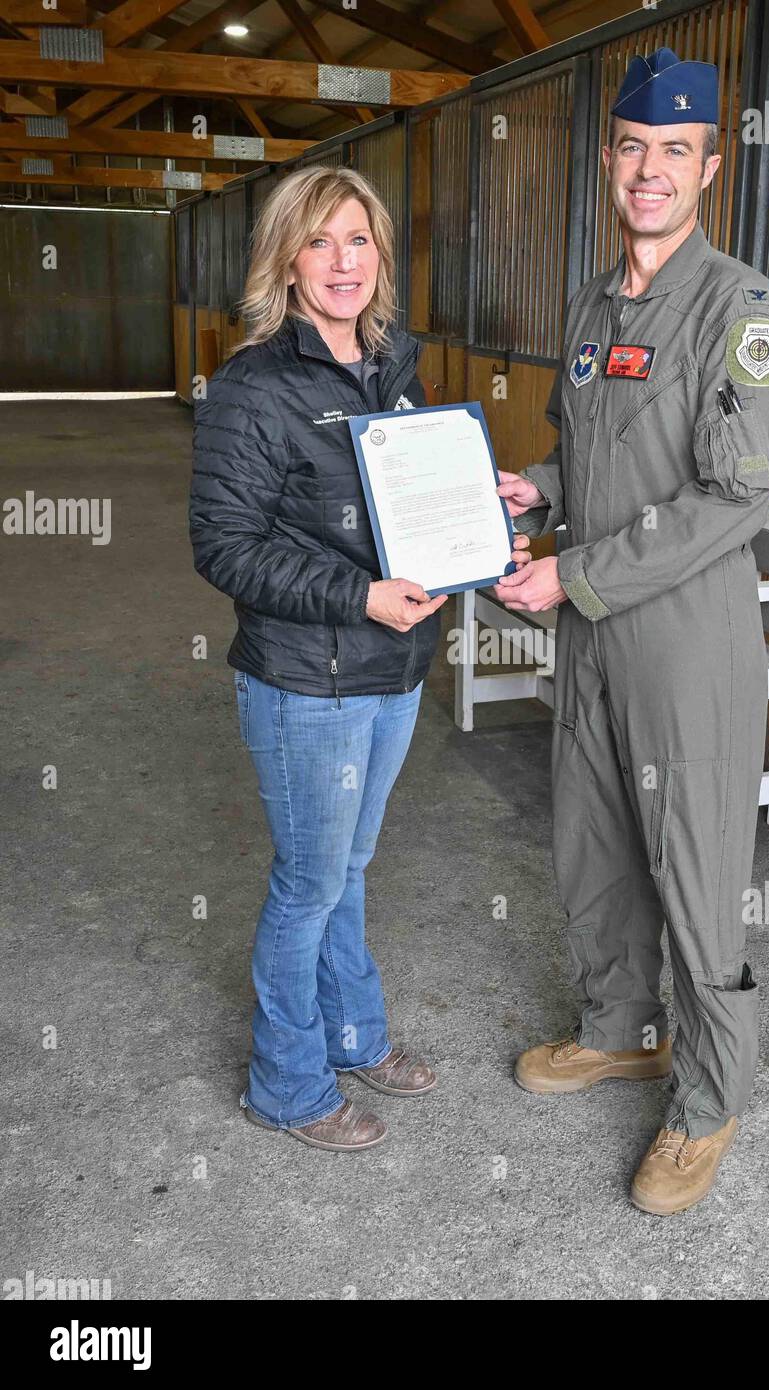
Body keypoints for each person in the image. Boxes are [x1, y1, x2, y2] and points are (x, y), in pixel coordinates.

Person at [494, 47, 769, 1213]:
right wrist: (535, 486)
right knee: (592, 840)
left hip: (682, 640)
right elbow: (599, 455)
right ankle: (618, 1028)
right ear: (608, 161)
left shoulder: (743, 310)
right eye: (631, 148)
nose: (649, 170)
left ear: (708, 167)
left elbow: (732, 498)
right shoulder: (593, 302)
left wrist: (570, 570)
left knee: (691, 863)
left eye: (675, 152)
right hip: (591, 630)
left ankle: (708, 1098)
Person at [190, 165, 528, 1153]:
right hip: (307, 680)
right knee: (308, 879)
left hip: (392, 669)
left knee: (349, 865)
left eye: (360, 241)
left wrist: (481, 528)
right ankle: (286, 1086)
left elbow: (412, 499)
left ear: (379, 256)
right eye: (319, 241)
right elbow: (224, 546)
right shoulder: (253, 387)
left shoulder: (391, 365)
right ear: (285, 261)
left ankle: (352, 1032)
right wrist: (360, 595)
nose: (342, 261)